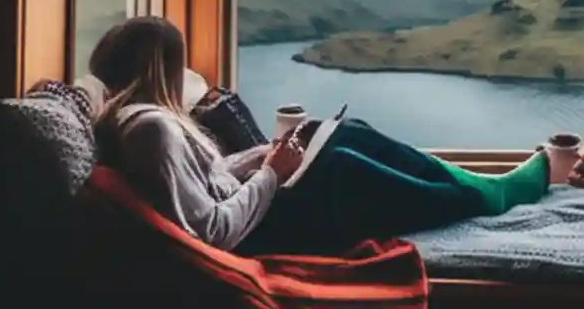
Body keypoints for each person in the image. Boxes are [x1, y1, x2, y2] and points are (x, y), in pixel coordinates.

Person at [90, 16, 550, 256]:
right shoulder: (152, 130)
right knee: (343, 166)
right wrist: (273, 174)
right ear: (163, 69)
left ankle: (482, 186)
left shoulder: (139, 122)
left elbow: (205, 180)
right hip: (258, 234)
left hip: (258, 214)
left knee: (344, 133)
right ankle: (480, 198)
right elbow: (213, 231)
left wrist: (263, 155)